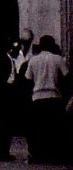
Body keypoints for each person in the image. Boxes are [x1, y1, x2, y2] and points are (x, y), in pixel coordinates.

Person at [24, 34, 68, 164]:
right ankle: (54, 155)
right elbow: (66, 77)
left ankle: (38, 155)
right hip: (54, 98)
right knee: (54, 129)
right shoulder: (58, 59)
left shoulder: (33, 60)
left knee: (38, 129)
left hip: (37, 98)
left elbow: (28, 79)